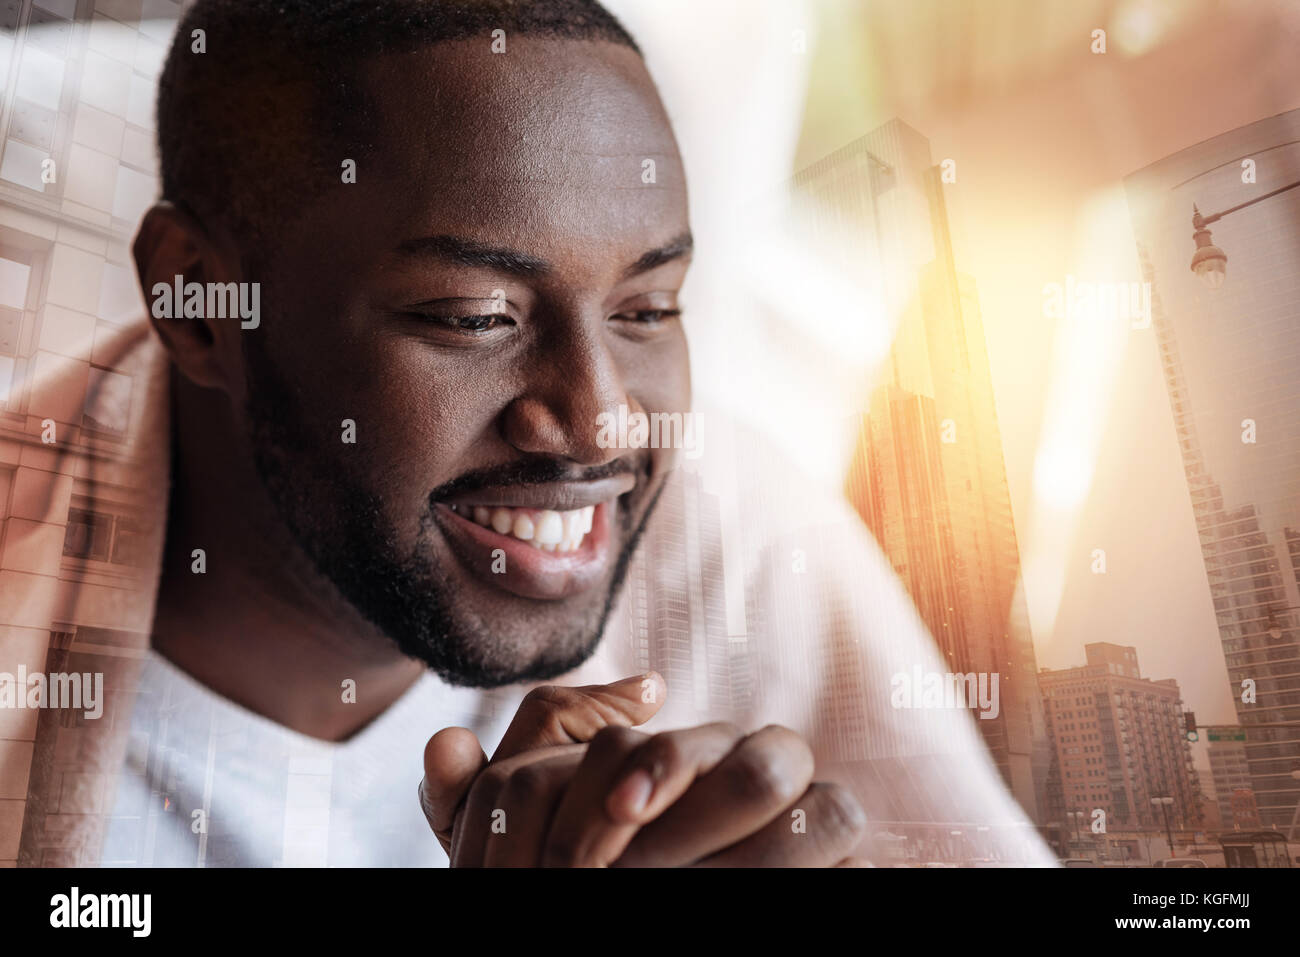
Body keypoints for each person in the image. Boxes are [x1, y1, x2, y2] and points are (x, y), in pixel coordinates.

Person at [14, 0, 1054, 867]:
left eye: (647, 309)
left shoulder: (736, 537)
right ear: (202, 304)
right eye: (475, 317)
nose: (601, 421)